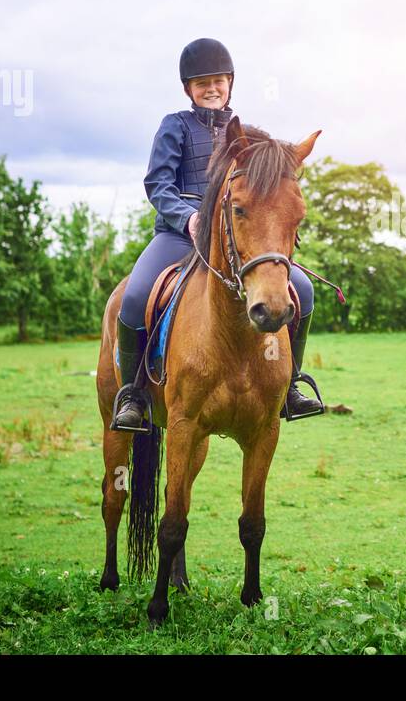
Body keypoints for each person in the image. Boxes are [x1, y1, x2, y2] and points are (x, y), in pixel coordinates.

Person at [110, 37, 324, 432]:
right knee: (135, 294)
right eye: (201, 82)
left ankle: (290, 385)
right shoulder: (174, 126)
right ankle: (135, 394)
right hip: (179, 234)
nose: (211, 88)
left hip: (232, 239)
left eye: (218, 80)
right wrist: (188, 217)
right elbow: (158, 184)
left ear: (230, 83)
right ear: (188, 89)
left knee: (304, 290)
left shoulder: (248, 133)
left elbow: (268, 184)